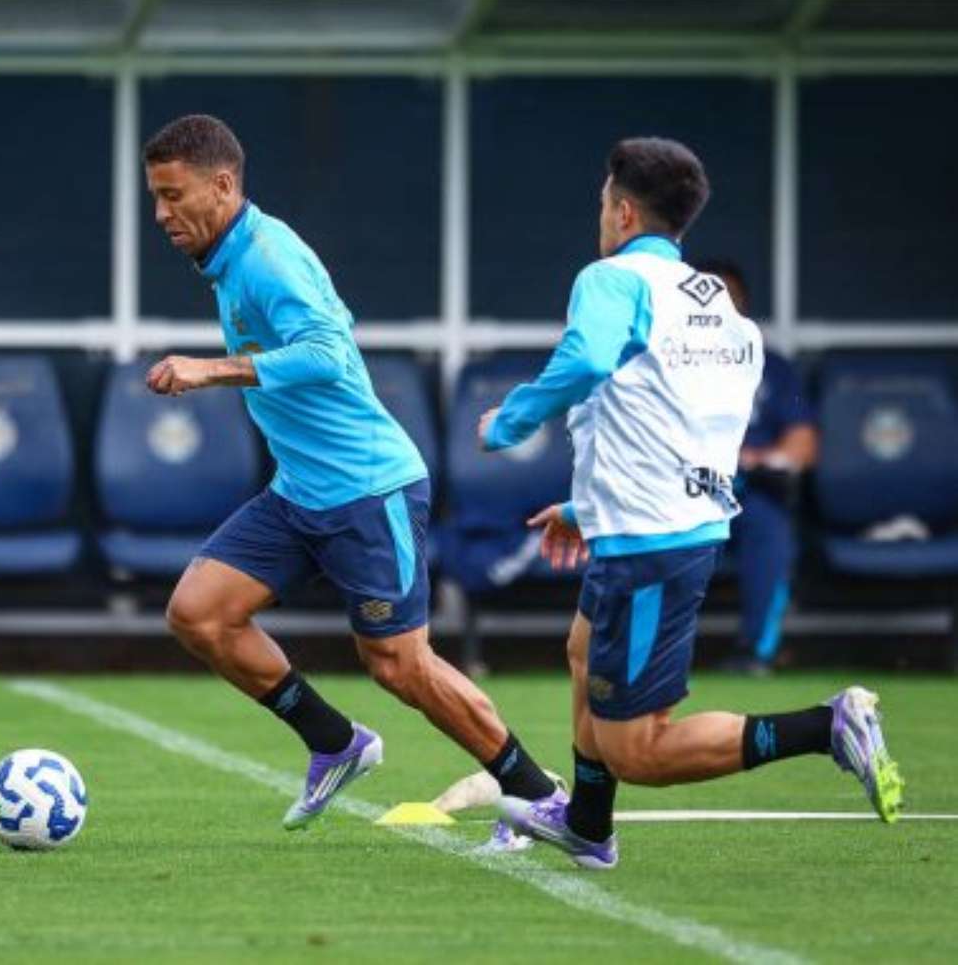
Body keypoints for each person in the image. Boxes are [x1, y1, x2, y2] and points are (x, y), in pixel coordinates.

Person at [481, 137, 902, 869]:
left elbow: (585, 362)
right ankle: (586, 822)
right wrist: (590, 506)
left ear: (621, 209)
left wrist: (510, 421)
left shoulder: (613, 279)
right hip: (671, 524)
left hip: (649, 542)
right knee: (583, 648)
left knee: (638, 748)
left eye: (601, 204)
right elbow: (681, 423)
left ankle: (828, 725)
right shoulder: (724, 314)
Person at [142, 113, 560, 835]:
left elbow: (329, 352)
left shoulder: (266, 256)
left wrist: (210, 368)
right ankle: (336, 742)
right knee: (199, 612)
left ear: (224, 183)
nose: (161, 214)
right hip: (300, 490)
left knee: (402, 666)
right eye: (155, 197)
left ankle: (537, 792)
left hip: (370, 489)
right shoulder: (229, 257)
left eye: (174, 195)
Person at [694, 258, 819, 675]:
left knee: (772, 532)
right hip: (685, 494)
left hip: (751, 490)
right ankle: (658, 658)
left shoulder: (772, 366)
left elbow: (803, 443)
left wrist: (758, 459)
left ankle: (755, 654)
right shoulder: (667, 363)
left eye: (731, 300)